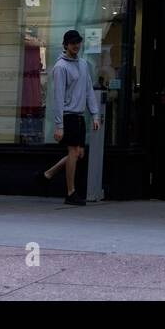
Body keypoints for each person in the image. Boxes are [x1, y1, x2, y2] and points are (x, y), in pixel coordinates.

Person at [37, 30, 101, 206]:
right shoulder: (60, 67)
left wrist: (95, 114)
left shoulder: (83, 65)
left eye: (78, 42)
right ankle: (70, 192)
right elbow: (58, 98)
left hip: (79, 116)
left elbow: (89, 90)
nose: (76, 46)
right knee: (73, 152)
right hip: (68, 115)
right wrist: (59, 125)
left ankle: (48, 174)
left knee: (79, 153)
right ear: (65, 45)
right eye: (72, 43)